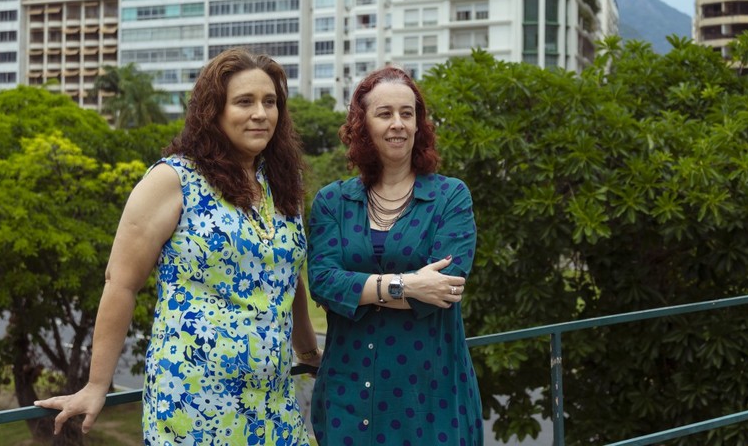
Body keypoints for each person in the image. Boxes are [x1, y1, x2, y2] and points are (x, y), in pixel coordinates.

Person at [35, 47, 322, 445]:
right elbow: (120, 282)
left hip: (272, 401)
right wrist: (96, 385)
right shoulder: (174, 179)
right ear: (214, 111)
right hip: (194, 401)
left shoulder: (282, 185)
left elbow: (287, 278)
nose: (261, 113)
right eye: (244, 102)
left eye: (270, 102)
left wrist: (309, 353)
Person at [307, 66, 483, 446]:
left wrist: (357, 291)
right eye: (384, 114)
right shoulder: (332, 202)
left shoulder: (450, 197)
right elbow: (322, 282)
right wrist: (408, 285)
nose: (398, 124)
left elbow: (444, 292)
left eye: (407, 113)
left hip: (428, 398)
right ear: (362, 124)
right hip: (347, 397)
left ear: (420, 124)